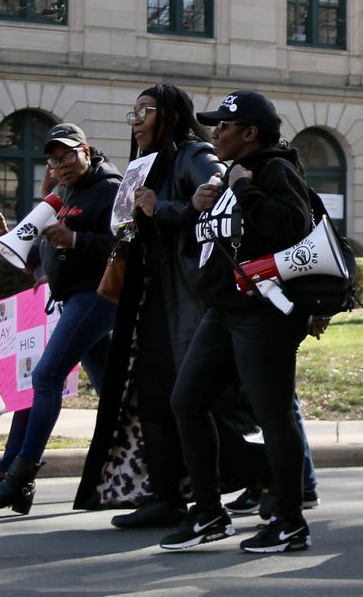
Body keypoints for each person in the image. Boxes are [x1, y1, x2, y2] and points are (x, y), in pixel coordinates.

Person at [158, 90, 316, 553]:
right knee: (187, 402)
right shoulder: (231, 174)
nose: (216, 132)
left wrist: (244, 188)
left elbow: (291, 226)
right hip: (226, 310)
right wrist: (197, 207)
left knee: (274, 416)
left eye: (225, 125)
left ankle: (289, 522)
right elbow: (218, 239)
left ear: (250, 133)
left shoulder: (274, 169)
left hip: (265, 315)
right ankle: (208, 513)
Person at [73, 83, 229, 527]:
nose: (137, 120)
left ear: (173, 116)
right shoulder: (143, 166)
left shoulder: (193, 155)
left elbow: (217, 193)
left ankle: (217, 499)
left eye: (146, 111)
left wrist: (163, 208)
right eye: (133, 112)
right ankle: (166, 497)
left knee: (190, 402)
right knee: (155, 401)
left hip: (187, 299)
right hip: (150, 300)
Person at [0, 124, 120, 514]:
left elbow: (127, 247)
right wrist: (7, 234)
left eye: (67, 155)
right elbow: (37, 262)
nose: (60, 165)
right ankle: (152, 471)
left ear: (85, 150)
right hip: (73, 299)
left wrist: (76, 241)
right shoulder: (63, 194)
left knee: (46, 377)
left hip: (97, 297)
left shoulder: (111, 189)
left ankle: (19, 479)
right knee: (114, 394)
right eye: (53, 159)